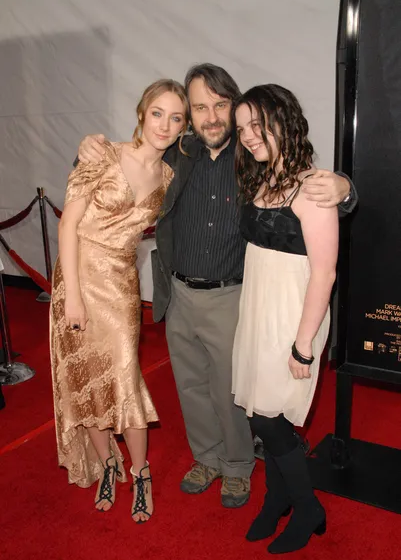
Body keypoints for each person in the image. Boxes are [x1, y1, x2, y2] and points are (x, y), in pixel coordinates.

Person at [77, 63, 356, 509]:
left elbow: (304, 184)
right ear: (189, 114)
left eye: (220, 105)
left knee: (230, 390)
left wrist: (345, 188)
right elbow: (128, 156)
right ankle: (206, 458)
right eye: (199, 107)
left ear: (234, 106)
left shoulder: (253, 156)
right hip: (179, 292)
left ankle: (238, 466)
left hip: (232, 295)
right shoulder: (176, 153)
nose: (210, 117)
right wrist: (89, 147)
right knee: (190, 386)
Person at [50, 79, 189, 523]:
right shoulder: (104, 153)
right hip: (77, 279)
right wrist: (72, 296)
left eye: (176, 117)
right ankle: (109, 463)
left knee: (124, 377)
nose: (165, 125)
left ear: (184, 126)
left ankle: (140, 471)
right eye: (157, 113)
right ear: (141, 112)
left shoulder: (170, 176)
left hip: (120, 284)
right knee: (84, 379)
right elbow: (67, 226)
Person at [232, 84, 338, 553]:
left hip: (293, 315)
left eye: (257, 125)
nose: (249, 136)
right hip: (258, 308)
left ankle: (306, 505)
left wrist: (303, 343)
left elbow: (325, 272)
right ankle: (277, 498)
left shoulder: (312, 187)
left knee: (273, 422)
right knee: (259, 415)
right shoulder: (261, 178)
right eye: (242, 129)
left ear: (283, 120)